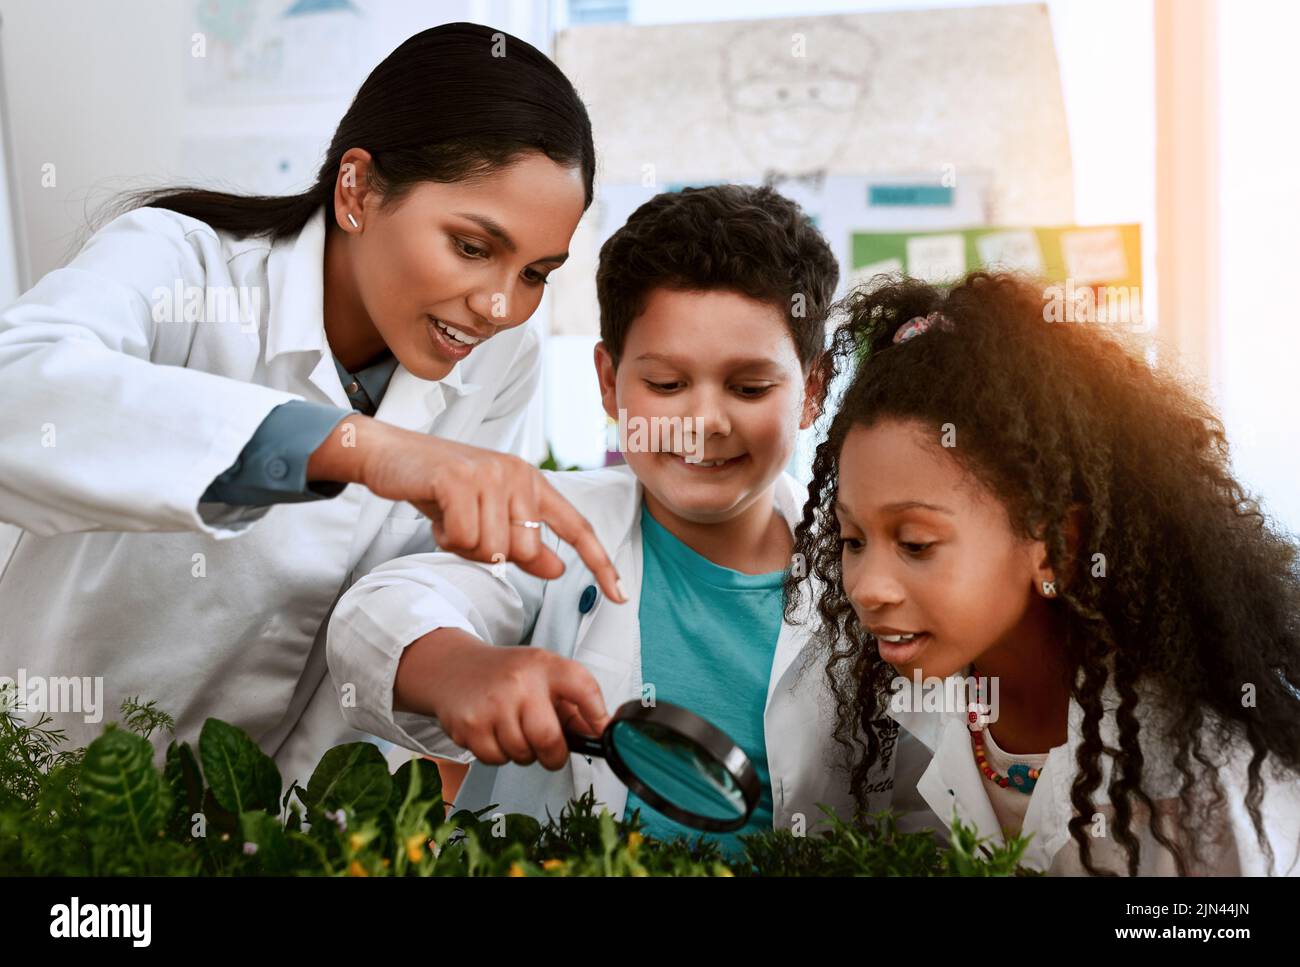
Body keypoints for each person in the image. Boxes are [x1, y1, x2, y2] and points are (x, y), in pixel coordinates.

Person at [0, 23, 624, 788]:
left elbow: (420, 587)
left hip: (278, 821)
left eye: (536, 273)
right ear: (357, 190)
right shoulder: (182, 263)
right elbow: (21, 390)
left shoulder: (501, 361)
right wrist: (363, 448)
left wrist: (466, 661)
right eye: (471, 246)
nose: (499, 304)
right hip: (42, 785)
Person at [327, 186, 900, 857]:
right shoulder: (554, 523)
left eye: (748, 388)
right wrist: (463, 667)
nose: (704, 421)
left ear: (812, 389)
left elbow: (925, 806)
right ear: (609, 382)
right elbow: (376, 615)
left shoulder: (870, 569)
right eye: (665, 384)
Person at [788, 271, 1300, 875]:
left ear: (1057, 544)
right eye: (852, 539)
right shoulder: (882, 725)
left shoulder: (1206, 778)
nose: (867, 587)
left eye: (917, 543)